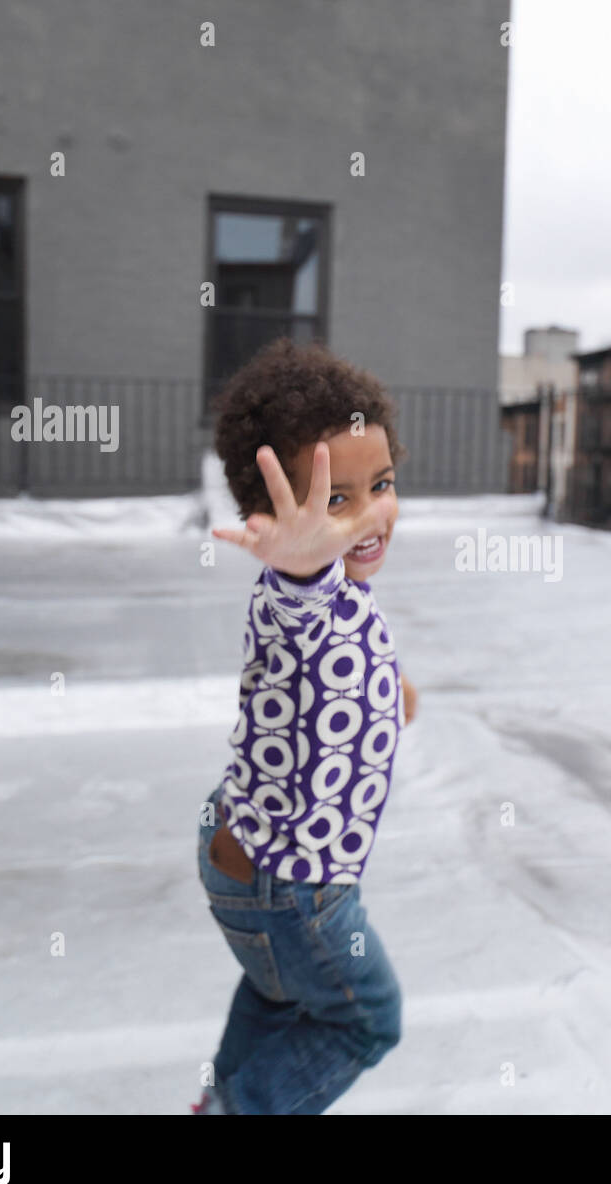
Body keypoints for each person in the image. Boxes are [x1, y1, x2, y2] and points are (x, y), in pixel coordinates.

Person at [192, 338, 415, 1114]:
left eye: (380, 484)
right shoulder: (299, 589)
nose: (370, 515)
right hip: (295, 885)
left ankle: (224, 1094)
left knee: (284, 994)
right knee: (366, 1020)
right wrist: (297, 563)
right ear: (273, 520)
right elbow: (301, 611)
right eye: (334, 501)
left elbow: (339, 655)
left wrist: (394, 689)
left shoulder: (346, 588)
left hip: (254, 862)